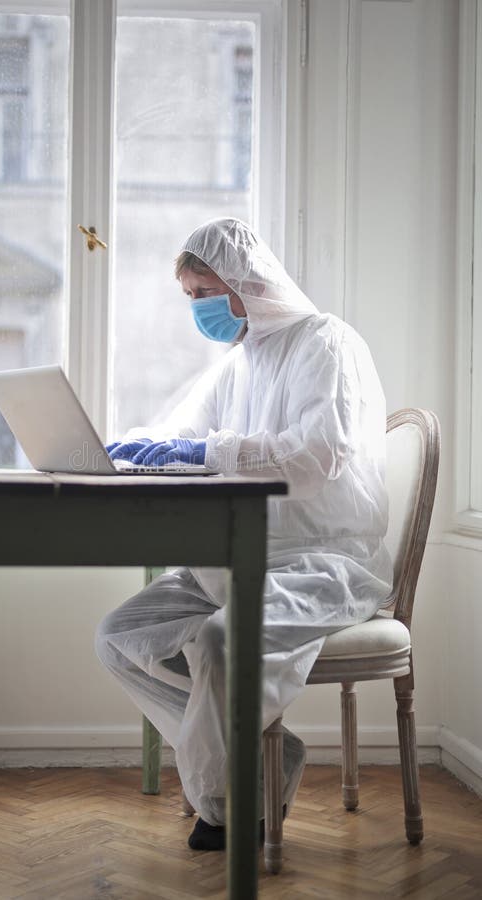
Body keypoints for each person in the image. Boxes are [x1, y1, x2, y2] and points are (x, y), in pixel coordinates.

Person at [95, 217, 393, 851]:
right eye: (190, 298)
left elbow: (317, 457)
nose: (197, 310)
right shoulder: (242, 361)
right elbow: (184, 435)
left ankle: (230, 804)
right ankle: (266, 760)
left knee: (223, 640)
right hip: (237, 559)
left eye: (202, 294)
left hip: (321, 558)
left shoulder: (327, 343)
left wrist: (207, 452)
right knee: (120, 636)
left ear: (241, 282)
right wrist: (134, 448)